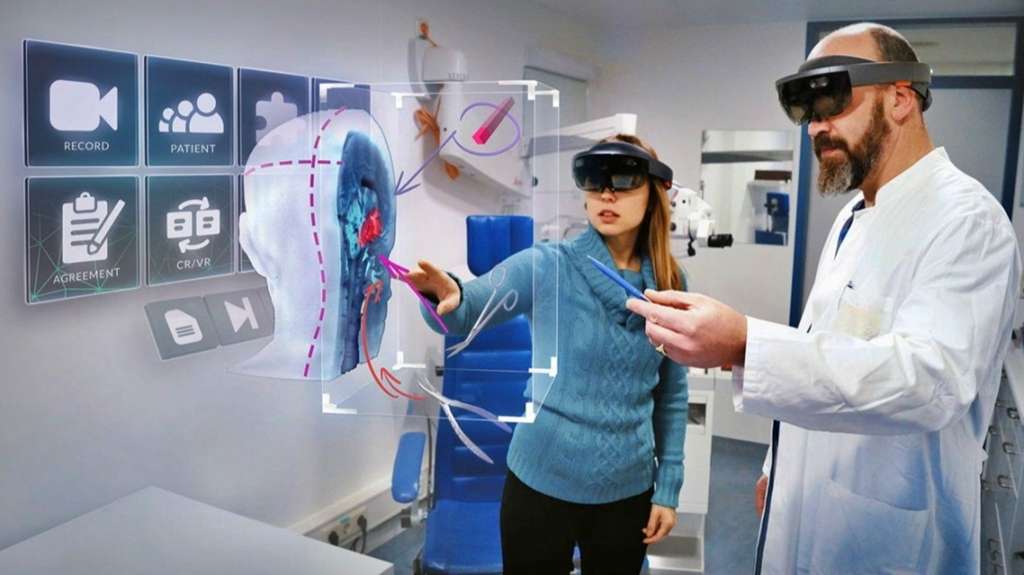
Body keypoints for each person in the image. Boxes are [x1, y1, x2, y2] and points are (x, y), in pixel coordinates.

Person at [626, 23, 1021, 574]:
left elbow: (931, 381)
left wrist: (744, 344)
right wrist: (778, 464)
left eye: (832, 100)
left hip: (892, 526)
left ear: (901, 98)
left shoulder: (966, 220)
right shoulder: (854, 216)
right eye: (807, 111)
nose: (816, 126)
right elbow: (820, 344)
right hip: (809, 491)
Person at [409, 135, 688, 574]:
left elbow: (671, 393)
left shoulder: (672, 282)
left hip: (627, 489)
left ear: (654, 191)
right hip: (540, 483)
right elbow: (468, 308)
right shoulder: (548, 265)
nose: (606, 193)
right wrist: (445, 296)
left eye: (622, 179)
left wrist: (668, 487)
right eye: (593, 180)